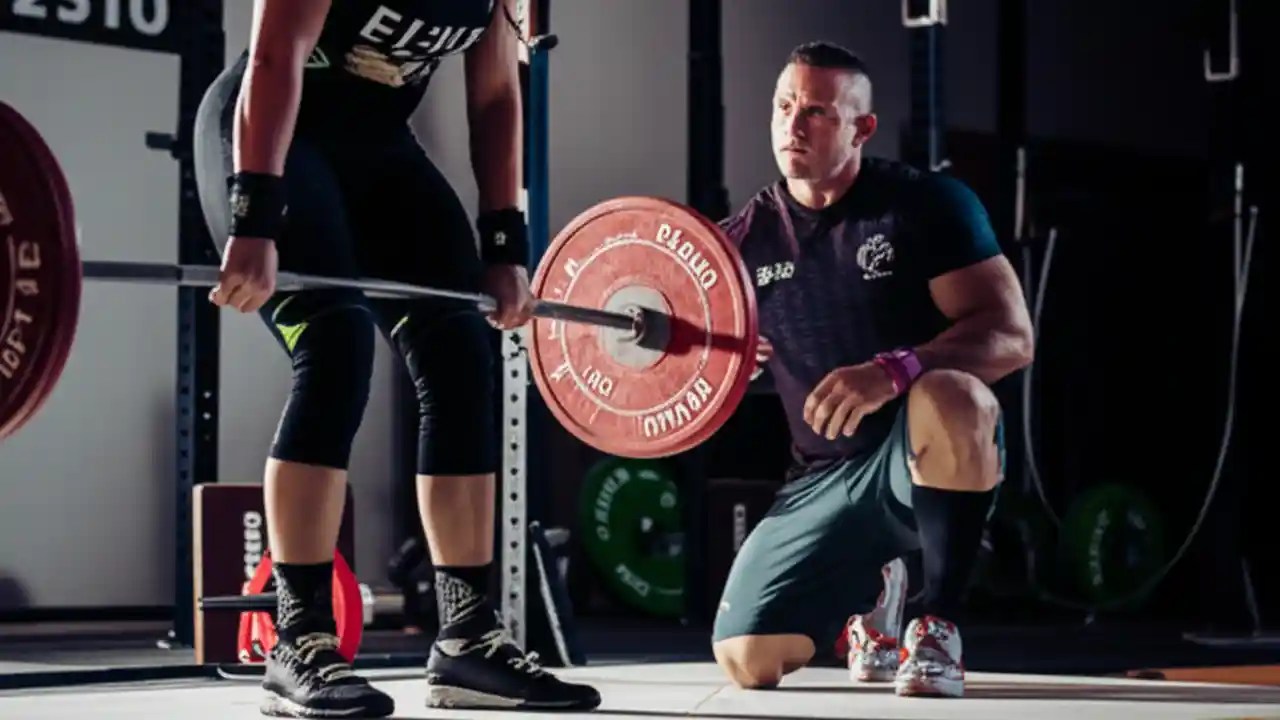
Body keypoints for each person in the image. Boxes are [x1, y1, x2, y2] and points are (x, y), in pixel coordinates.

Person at [192, 0, 601, 716]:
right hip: (275, 130)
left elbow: (498, 92)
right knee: (337, 343)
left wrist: (505, 246)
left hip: (379, 149)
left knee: (461, 352)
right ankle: (299, 640)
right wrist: (254, 217)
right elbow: (276, 54)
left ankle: (468, 640)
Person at [711, 41, 1035, 698]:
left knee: (954, 396)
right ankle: (877, 585)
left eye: (817, 112)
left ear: (862, 128)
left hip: (916, 458)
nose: (793, 125)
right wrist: (729, 372)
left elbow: (1011, 337)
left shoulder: (926, 206)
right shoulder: (743, 241)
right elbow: (707, 371)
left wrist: (895, 369)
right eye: (783, 106)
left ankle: (937, 622)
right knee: (748, 661)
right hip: (820, 478)